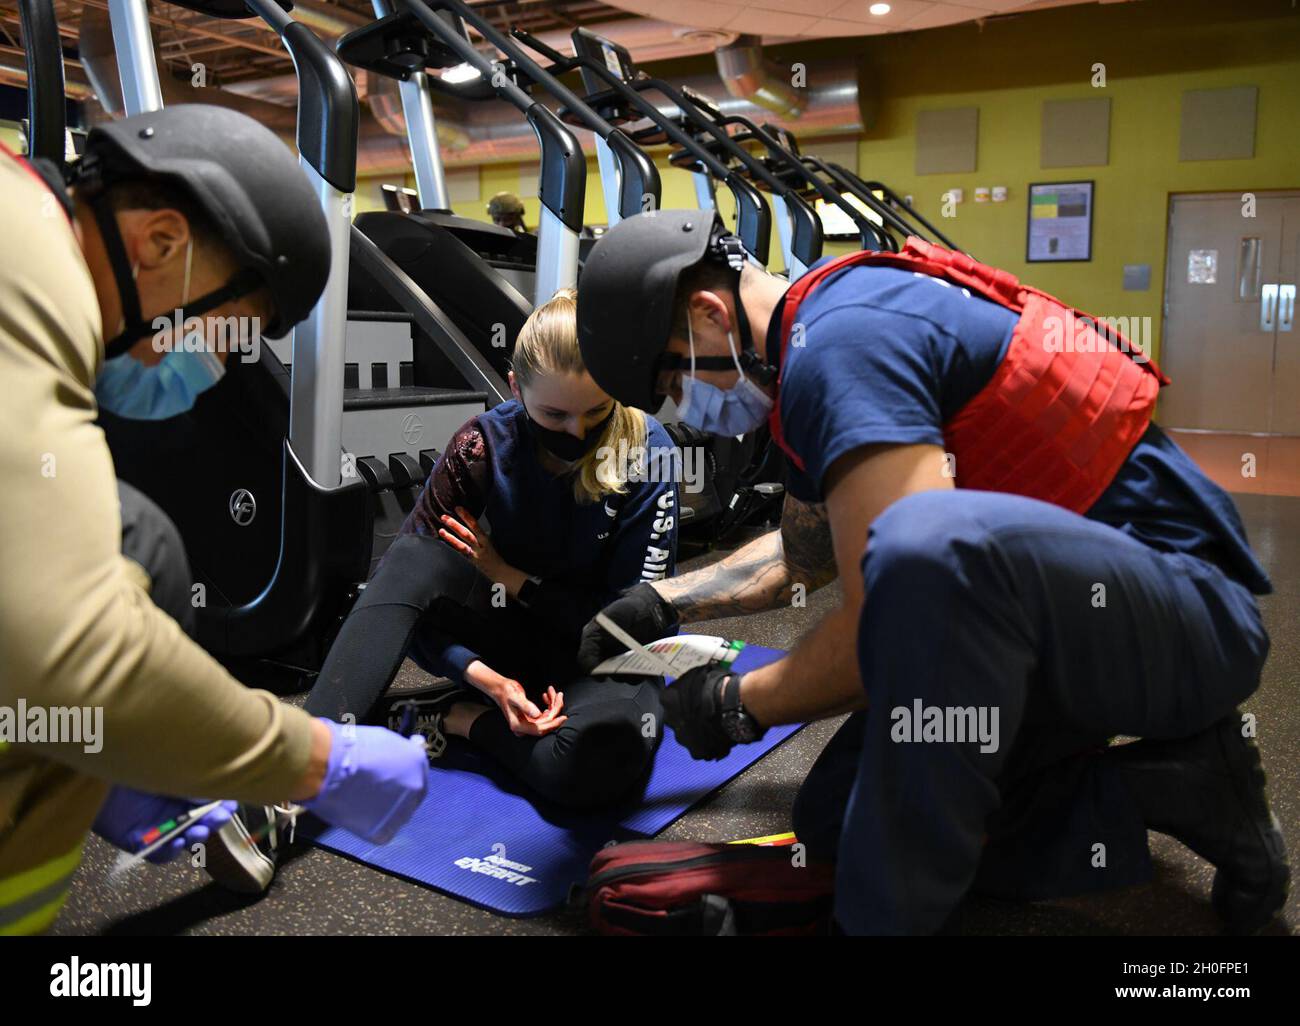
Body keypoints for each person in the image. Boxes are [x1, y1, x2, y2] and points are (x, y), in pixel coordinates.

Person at [571, 209, 1288, 935]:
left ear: (707, 312)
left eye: (671, 377)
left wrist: (736, 701)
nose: (682, 405)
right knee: (837, 819)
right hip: (1063, 619)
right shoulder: (813, 338)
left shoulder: (841, 347)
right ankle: (1179, 790)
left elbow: (898, 598)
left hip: (1189, 627)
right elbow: (805, 554)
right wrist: (656, 602)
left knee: (918, 570)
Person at [0, 105, 428, 933]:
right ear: (160, 242)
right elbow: (68, 641)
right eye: (230, 332)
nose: (222, 364)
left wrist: (107, 738)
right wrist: (310, 760)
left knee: (133, 541)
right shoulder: (28, 268)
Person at [214, 288, 680, 890]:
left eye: (593, 414)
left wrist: (512, 580)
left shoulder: (649, 453)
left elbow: (638, 625)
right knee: (411, 558)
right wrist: (484, 676)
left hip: (604, 658)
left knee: (591, 772)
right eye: (554, 416)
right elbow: (408, 586)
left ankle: (454, 721)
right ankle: (285, 787)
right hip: (510, 637)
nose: (576, 431)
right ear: (515, 388)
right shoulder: (482, 445)